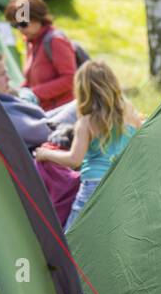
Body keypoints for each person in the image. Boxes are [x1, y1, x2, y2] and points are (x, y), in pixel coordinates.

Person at [0, 38, 80, 226]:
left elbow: (42, 120)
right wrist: (78, 108)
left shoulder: (0, 101)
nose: (9, 78)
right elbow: (42, 129)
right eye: (3, 74)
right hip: (38, 185)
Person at [34, 60, 143, 231]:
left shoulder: (86, 123)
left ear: (83, 90)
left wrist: (45, 154)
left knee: (74, 236)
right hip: (123, 183)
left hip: (93, 185)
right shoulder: (130, 114)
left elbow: (74, 159)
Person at [4, 0, 78, 111]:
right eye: (15, 25)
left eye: (23, 23)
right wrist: (16, 94)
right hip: (43, 110)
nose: (19, 29)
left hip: (62, 112)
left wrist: (34, 93)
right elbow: (30, 80)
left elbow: (70, 79)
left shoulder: (56, 41)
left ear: (37, 17)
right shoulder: (31, 41)